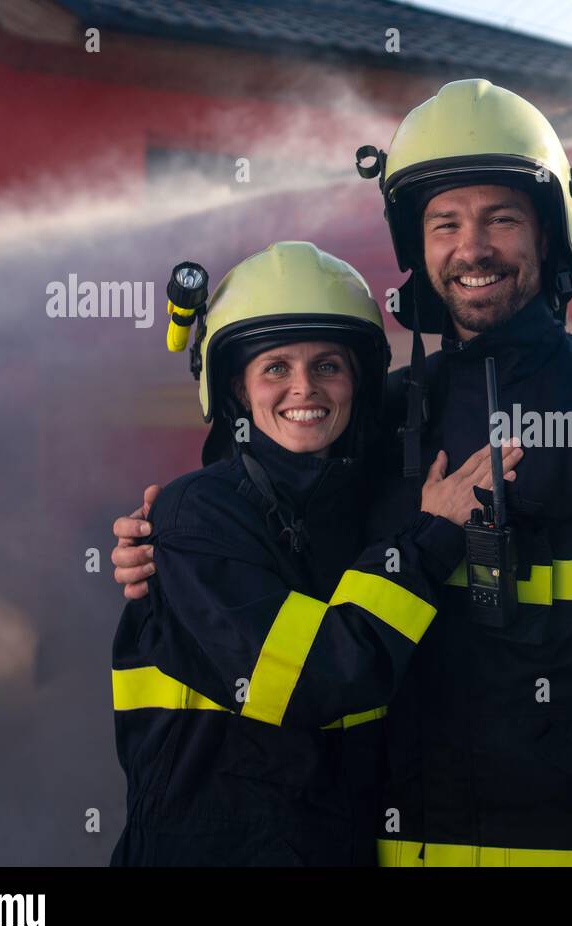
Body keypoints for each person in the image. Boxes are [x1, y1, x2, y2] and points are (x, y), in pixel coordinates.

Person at [115, 79, 572, 867]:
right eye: (445, 223)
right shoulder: (374, 415)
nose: (472, 248)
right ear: (416, 249)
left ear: (549, 235)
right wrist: (162, 537)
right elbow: (263, 529)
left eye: (501, 219)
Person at [110, 241, 521, 866]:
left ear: (358, 382)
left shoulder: (351, 509)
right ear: (237, 391)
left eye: (327, 365)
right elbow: (312, 679)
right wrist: (432, 539)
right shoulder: (197, 514)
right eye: (275, 367)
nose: (304, 387)